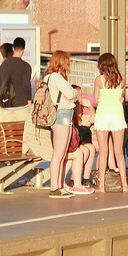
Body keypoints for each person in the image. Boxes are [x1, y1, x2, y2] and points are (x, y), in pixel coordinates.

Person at [93, 52, 128, 193]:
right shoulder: (122, 79)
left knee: (103, 151)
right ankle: (125, 185)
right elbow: (120, 98)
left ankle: (101, 186)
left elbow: (96, 97)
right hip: (117, 115)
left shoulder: (99, 80)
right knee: (119, 152)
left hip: (103, 115)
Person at [44, 50, 78, 199]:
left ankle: (59, 184)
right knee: (59, 153)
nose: (69, 65)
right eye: (67, 62)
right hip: (62, 116)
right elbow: (71, 94)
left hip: (59, 115)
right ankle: (55, 187)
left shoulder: (48, 77)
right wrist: (73, 93)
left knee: (62, 153)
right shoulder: (57, 77)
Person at [64, 89, 98, 195]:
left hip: (76, 140)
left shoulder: (78, 109)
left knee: (91, 148)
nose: (82, 96)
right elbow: (78, 130)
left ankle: (85, 179)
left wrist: (90, 107)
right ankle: (74, 180)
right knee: (84, 151)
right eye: (80, 94)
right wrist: (88, 124)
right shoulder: (71, 109)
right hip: (72, 141)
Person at [0, 39, 32, 122]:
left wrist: (3, 98)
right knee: (20, 131)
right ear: (23, 49)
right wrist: (29, 100)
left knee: (8, 132)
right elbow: (27, 86)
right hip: (21, 104)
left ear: (13, 48)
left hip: (6, 104)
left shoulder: (4, 65)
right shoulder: (26, 66)